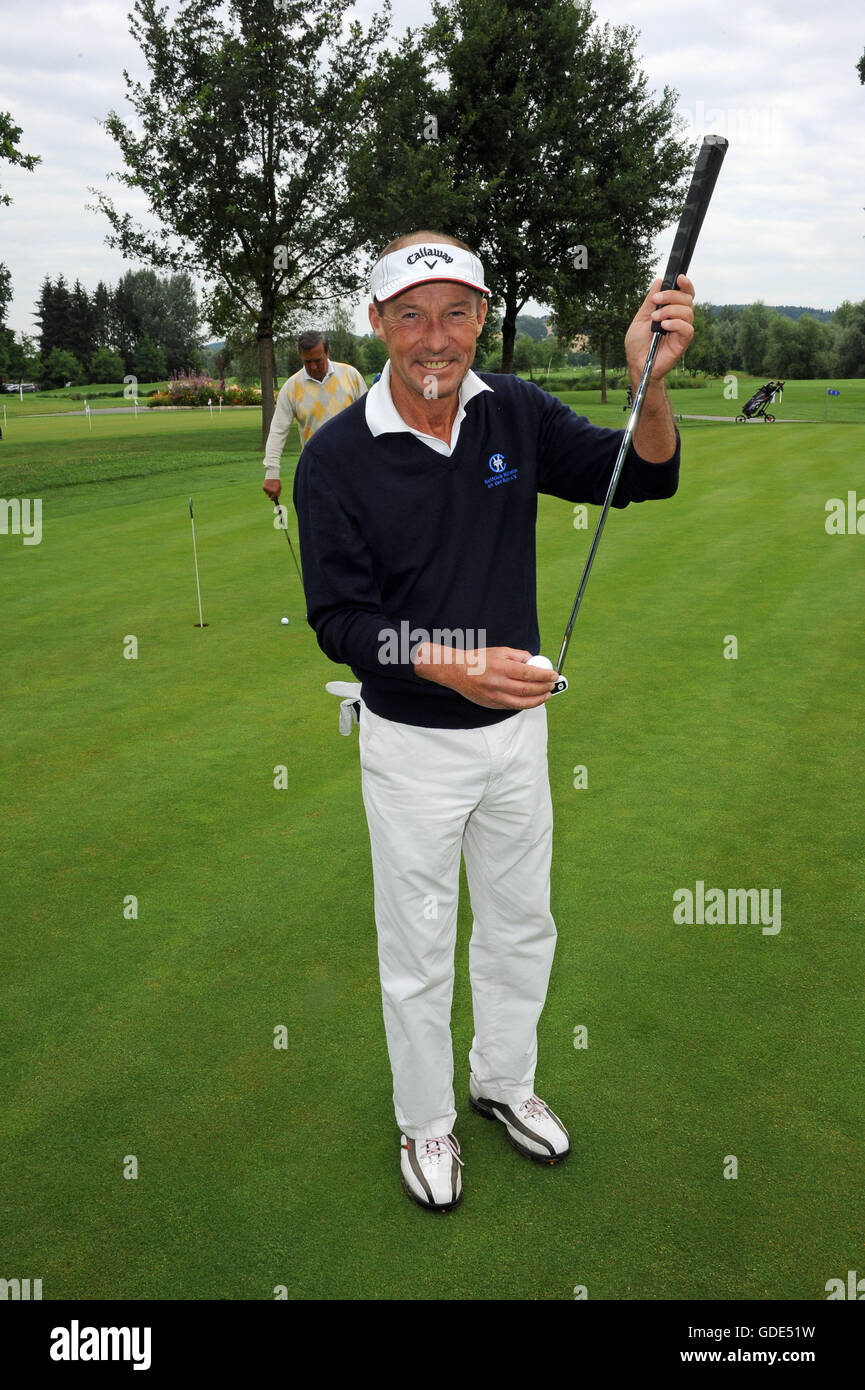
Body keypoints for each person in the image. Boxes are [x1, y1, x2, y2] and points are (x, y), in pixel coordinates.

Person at [293, 231, 694, 1212]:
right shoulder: (335, 458)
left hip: (516, 737)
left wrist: (649, 382)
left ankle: (503, 1082)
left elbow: (639, 474)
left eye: (455, 312)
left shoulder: (513, 409)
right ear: (377, 322)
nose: (435, 337)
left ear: (480, 317)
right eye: (412, 315)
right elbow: (339, 623)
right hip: (411, 745)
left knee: (521, 926)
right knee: (419, 946)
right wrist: (449, 663)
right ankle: (425, 1119)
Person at [261, 331, 367, 502]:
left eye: (318, 360)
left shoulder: (350, 375)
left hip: (353, 469)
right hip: (315, 472)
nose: (313, 367)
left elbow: (369, 420)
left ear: (328, 352)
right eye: (307, 362)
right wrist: (271, 473)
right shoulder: (291, 387)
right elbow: (278, 431)